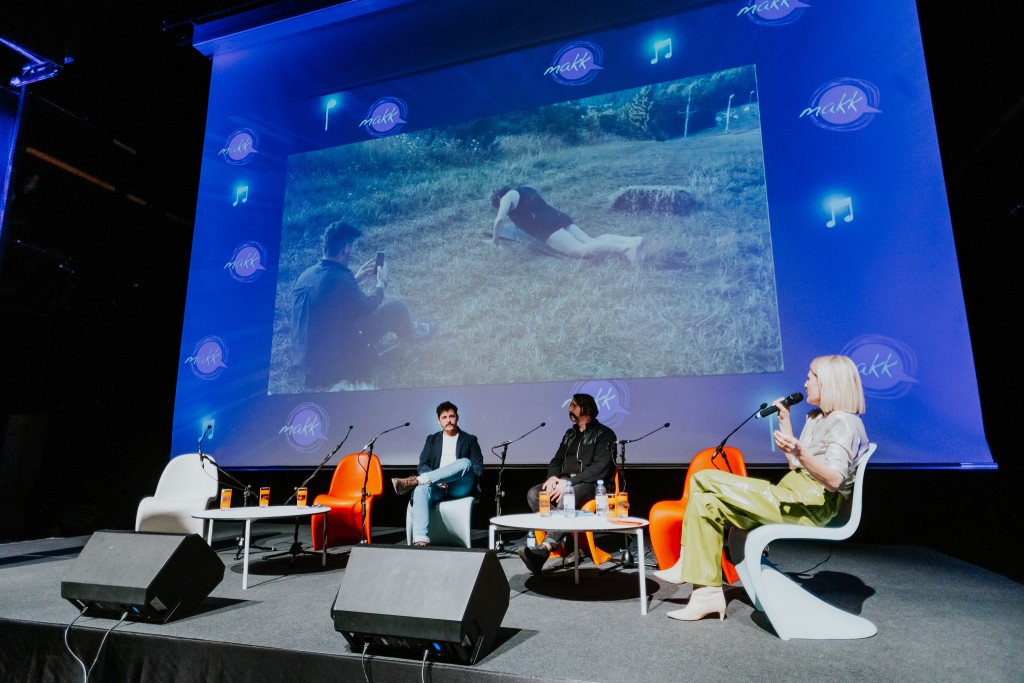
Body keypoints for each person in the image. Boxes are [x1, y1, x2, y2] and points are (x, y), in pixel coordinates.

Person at [654, 355, 870, 621]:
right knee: (706, 505)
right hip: (794, 493)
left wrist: (801, 454)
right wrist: (785, 423)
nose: (805, 383)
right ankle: (706, 596)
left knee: (703, 478)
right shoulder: (817, 418)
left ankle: (687, 563)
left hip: (810, 503)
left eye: (811, 377)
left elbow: (834, 480)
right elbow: (795, 464)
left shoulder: (845, 423)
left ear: (828, 382)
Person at [290, 221, 431, 390]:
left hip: (304, 365)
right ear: (346, 249)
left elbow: (327, 299)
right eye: (353, 247)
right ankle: (408, 337)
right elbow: (367, 307)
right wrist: (381, 283)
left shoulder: (307, 275)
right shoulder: (342, 279)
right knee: (397, 308)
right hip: (331, 370)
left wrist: (356, 278)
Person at [517, 393, 617, 574]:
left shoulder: (605, 434)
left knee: (568, 498)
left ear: (586, 408)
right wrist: (553, 478)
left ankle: (545, 550)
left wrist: (569, 483)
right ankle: (569, 541)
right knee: (535, 493)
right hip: (566, 481)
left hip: (593, 484)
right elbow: (556, 460)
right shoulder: (570, 434)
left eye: (573, 405)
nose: (569, 408)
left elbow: (600, 468)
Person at [391, 401, 484, 546]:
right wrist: (437, 479)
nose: (449, 420)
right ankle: (420, 539)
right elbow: (423, 464)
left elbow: (477, 467)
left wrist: (451, 476)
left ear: (457, 418)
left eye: (452, 416)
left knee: (465, 462)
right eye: (444, 417)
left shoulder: (470, 440)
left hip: (459, 486)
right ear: (438, 420)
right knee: (421, 489)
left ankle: (416, 480)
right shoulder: (432, 439)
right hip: (437, 486)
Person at [490, 186, 643, 264]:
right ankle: (632, 241)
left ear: (499, 198)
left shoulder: (506, 197)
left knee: (576, 251)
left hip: (548, 228)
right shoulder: (525, 189)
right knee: (590, 241)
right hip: (558, 218)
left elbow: (499, 220)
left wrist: (494, 242)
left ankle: (626, 249)